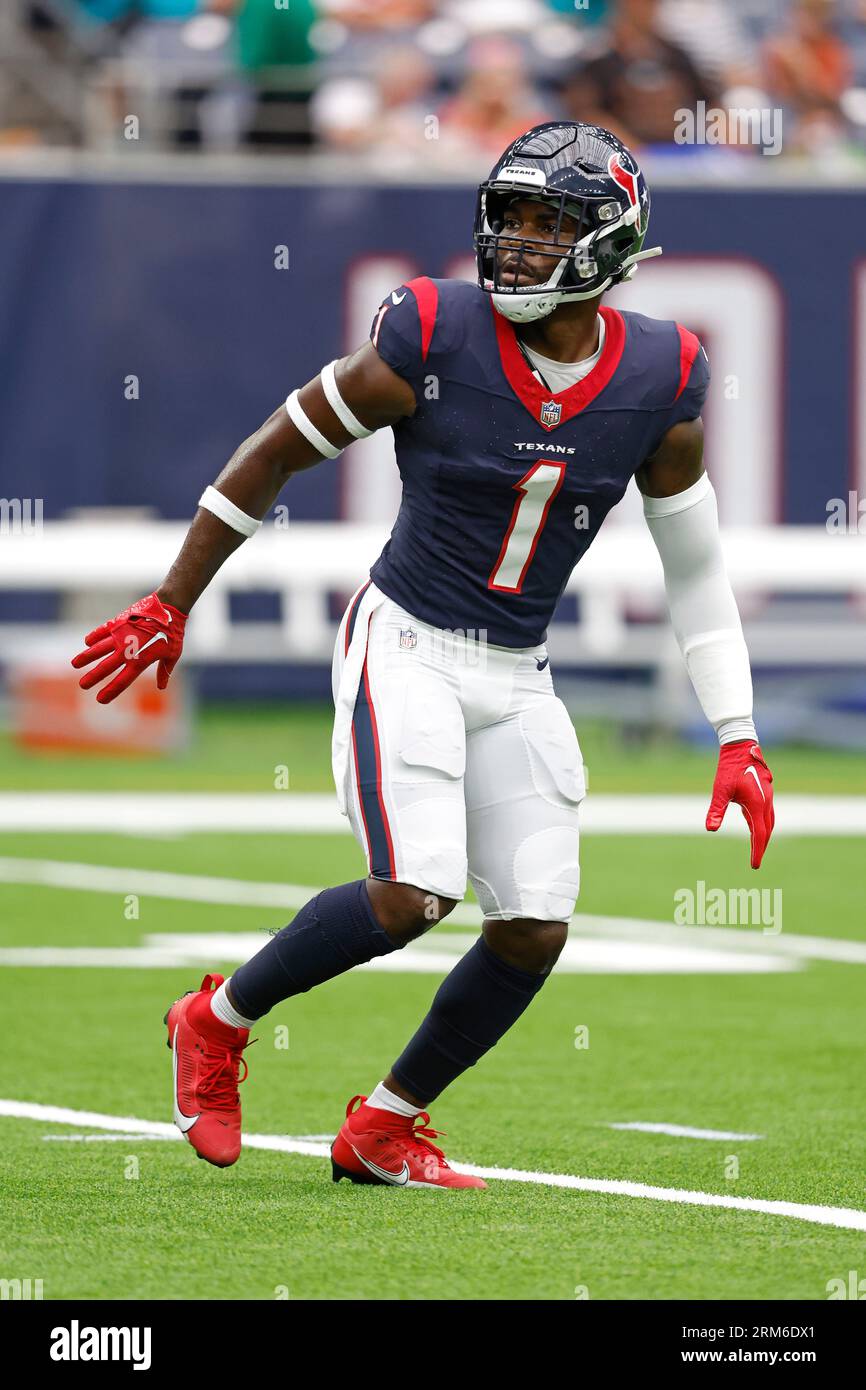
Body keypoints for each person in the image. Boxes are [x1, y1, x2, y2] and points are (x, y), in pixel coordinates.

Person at [72, 121, 775, 1190]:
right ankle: (213, 1022)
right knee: (411, 893)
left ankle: (383, 1124)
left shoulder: (662, 375)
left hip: (518, 668)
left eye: (551, 225)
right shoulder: (430, 337)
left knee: (533, 926)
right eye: (511, 219)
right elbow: (276, 449)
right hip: (404, 641)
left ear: (610, 244)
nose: (520, 245)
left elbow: (692, 565)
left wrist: (736, 732)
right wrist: (174, 601)